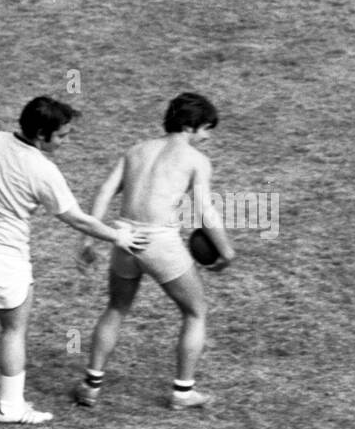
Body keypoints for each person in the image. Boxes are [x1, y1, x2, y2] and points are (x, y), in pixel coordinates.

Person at [0, 97, 148, 429]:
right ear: (42, 135)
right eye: (63, 136)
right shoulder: (43, 170)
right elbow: (75, 218)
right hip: (6, 260)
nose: (65, 142)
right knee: (13, 331)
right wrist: (119, 236)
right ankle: (11, 407)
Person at [74, 92, 236, 411]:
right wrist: (226, 251)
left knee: (117, 308)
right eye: (206, 129)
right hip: (161, 243)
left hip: (124, 238)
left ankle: (91, 386)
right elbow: (205, 209)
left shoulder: (135, 150)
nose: (207, 137)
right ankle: (183, 391)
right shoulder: (195, 160)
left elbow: (105, 190)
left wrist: (89, 238)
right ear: (190, 127)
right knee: (196, 311)